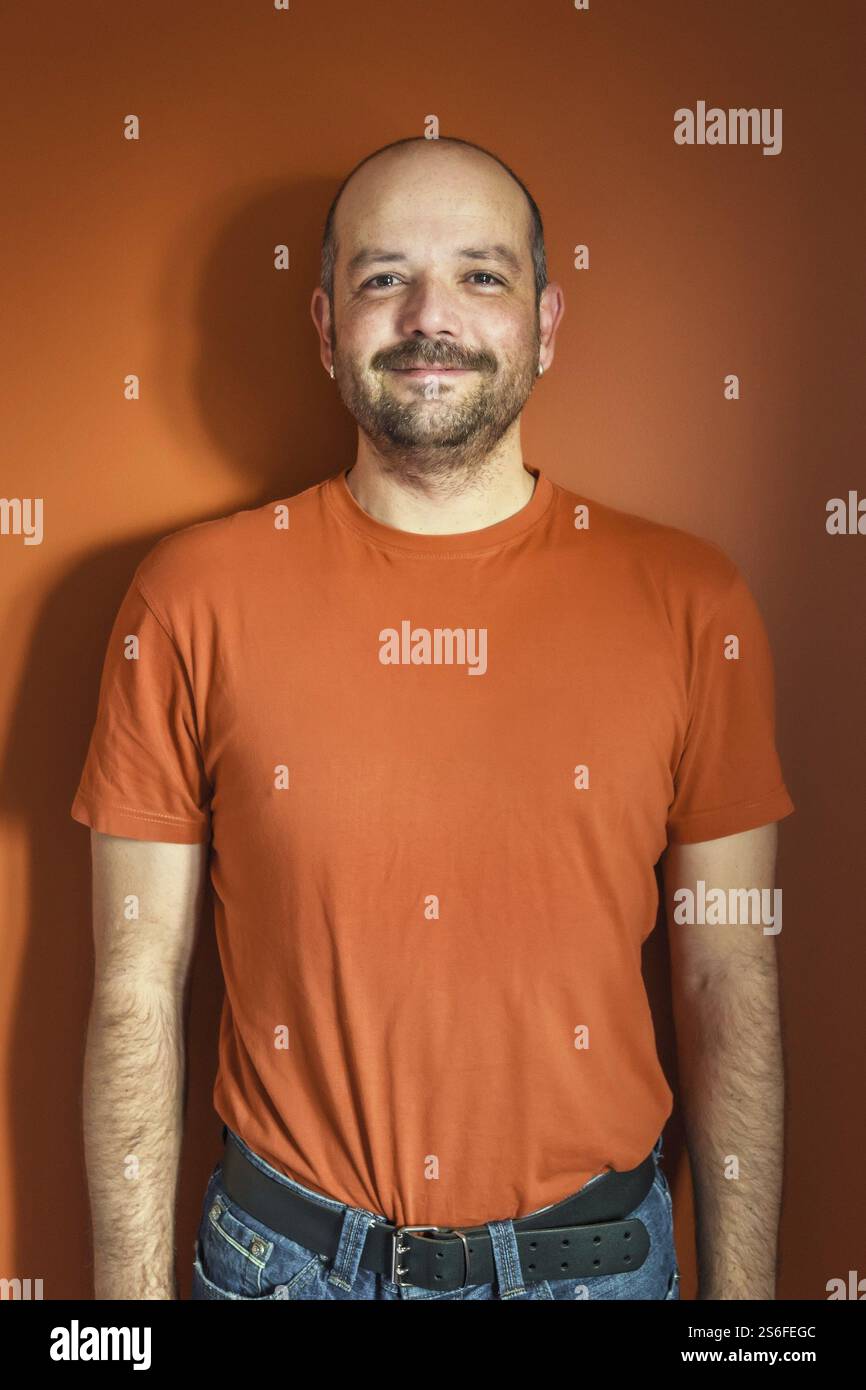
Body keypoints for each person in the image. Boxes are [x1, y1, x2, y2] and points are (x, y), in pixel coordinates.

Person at [71, 135, 795, 1301]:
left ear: (546, 323)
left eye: (479, 273)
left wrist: (746, 1321)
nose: (427, 314)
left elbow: (727, 977)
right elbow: (136, 982)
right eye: (380, 277)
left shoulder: (689, 603)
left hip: (599, 1268)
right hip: (279, 1265)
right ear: (324, 325)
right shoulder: (188, 594)